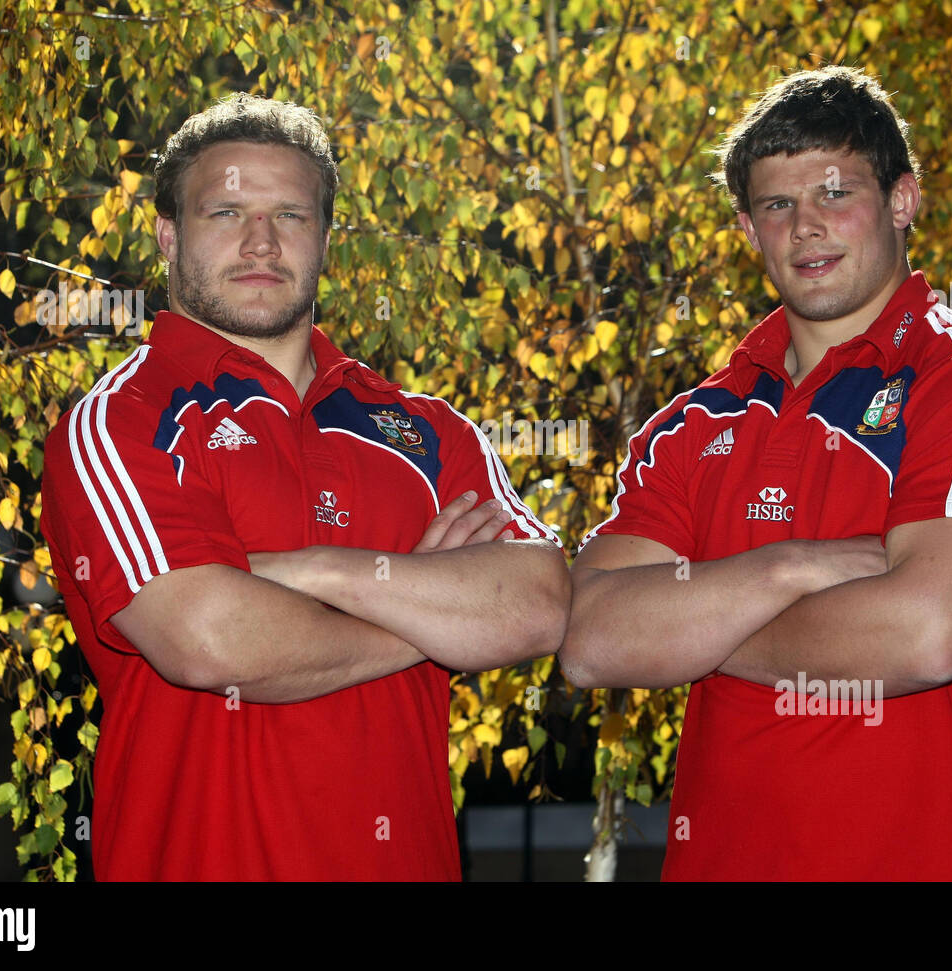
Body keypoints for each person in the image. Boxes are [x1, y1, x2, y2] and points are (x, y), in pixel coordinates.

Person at [559, 66, 952, 881]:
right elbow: (589, 641)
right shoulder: (695, 423)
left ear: (903, 201)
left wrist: (691, 626)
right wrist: (791, 567)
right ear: (747, 228)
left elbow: (928, 633)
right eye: (777, 205)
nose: (805, 228)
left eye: (834, 194)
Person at [40, 94, 570, 881]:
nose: (260, 242)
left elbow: (540, 603)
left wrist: (303, 569)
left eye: (289, 214)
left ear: (325, 238)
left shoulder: (426, 431)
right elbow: (209, 638)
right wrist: (431, 611)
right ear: (166, 236)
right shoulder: (122, 422)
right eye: (225, 211)